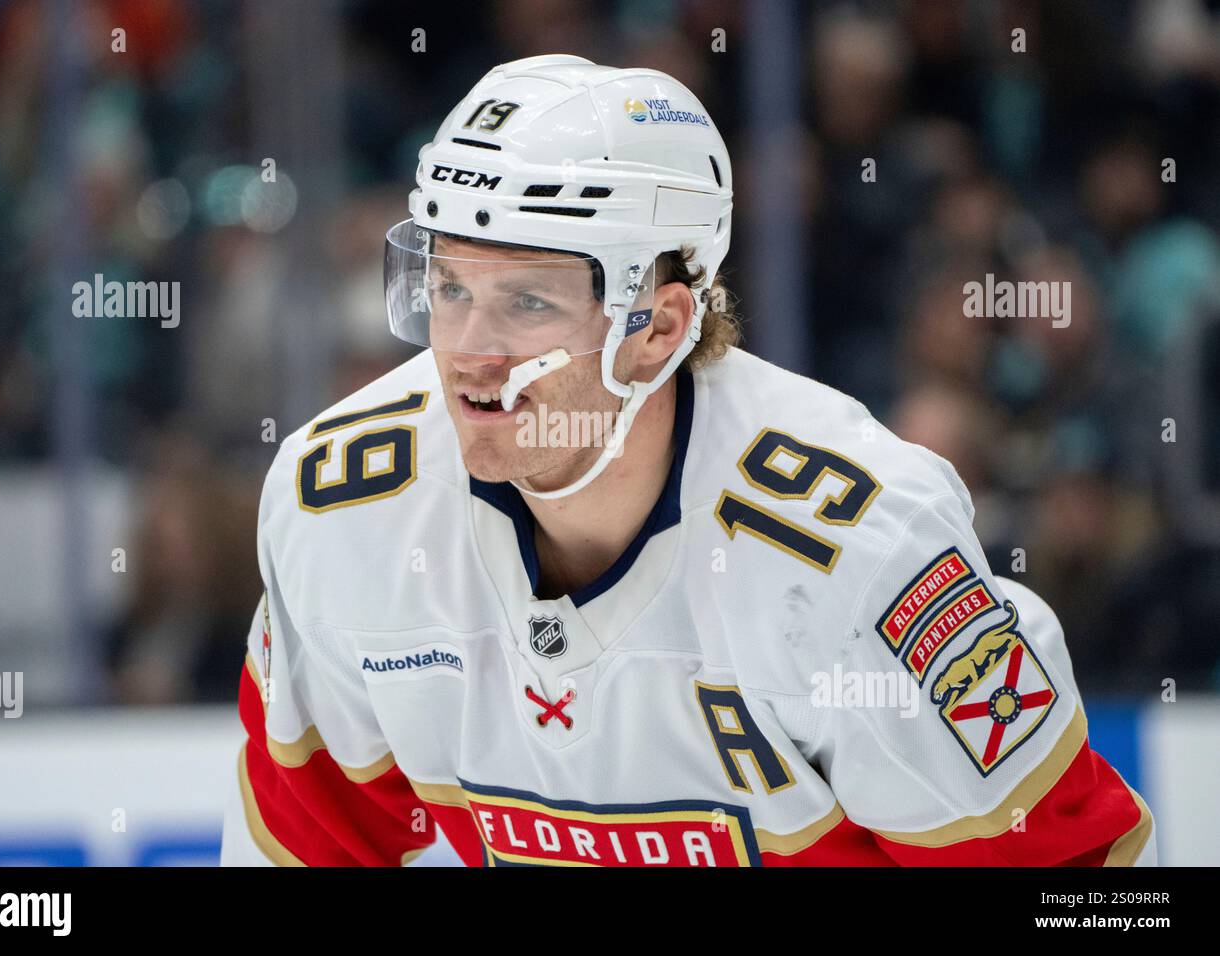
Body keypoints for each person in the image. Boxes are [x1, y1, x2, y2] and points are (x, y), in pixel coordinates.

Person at [220, 55, 1153, 866]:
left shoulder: (855, 553)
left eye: (529, 303)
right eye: (450, 286)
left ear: (660, 326)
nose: (469, 351)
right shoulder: (341, 511)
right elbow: (304, 845)